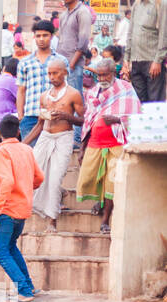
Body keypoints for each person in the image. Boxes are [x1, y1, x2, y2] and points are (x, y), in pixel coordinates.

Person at [77, 57, 142, 233]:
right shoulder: (94, 91)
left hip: (117, 143)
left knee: (112, 182)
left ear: (113, 73)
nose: (101, 79)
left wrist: (116, 119)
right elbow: (89, 120)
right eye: (99, 75)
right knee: (89, 178)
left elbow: (136, 116)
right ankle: (101, 201)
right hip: (95, 143)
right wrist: (82, 148)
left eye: (105, 75)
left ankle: (106, 219)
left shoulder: (126, 89)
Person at [0, 114, 44, 302]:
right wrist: (26, 187)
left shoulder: (2, 151)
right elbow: (39, 177)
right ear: (19, 132)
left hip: (9, 209)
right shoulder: (26, 149)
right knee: (10, 246)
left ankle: (25, 290)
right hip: (24, 207)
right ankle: (28, 285)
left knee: (0, 251)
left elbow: (8, 182)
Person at [24, 61, 84, 231]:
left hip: (64, 137)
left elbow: (85, 119)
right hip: (45, 136)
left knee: (55, 178)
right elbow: (39, 125)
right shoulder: (44, 96)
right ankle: (59, 193)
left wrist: (67, 116)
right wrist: (21, 144)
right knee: (33, 173)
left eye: (55, 73)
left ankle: (52, 221)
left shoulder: (74, 94)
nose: (52, 77)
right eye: (49, 74)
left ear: (64, 73)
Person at [16, 19, 69, 142]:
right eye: (38, 36)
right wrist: (21, 116)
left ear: (51, 36)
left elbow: (66, 90)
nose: (41, 39)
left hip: (55, 117)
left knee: (52, 157)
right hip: (31, 117)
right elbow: (21, 90)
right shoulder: (25, 62)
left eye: (45, 35)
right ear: (34, 37)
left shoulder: (61, 61)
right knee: (31, 157)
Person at [127, 0, 167, 103]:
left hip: (152, 61)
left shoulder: (161, 4)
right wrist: (126, 59)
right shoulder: (136, 4)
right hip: (136, 60)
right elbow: (130, 32)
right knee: (138, 102)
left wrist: (158, 60)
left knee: (154, 102)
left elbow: (164, 35)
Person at [57, 0, 95, 95]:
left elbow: (84, 40)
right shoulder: (64, 14)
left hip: (74, 64)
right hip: (61, 63)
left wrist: (72, 64)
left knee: (74, 99)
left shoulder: (83, 12)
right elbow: (60, 38)